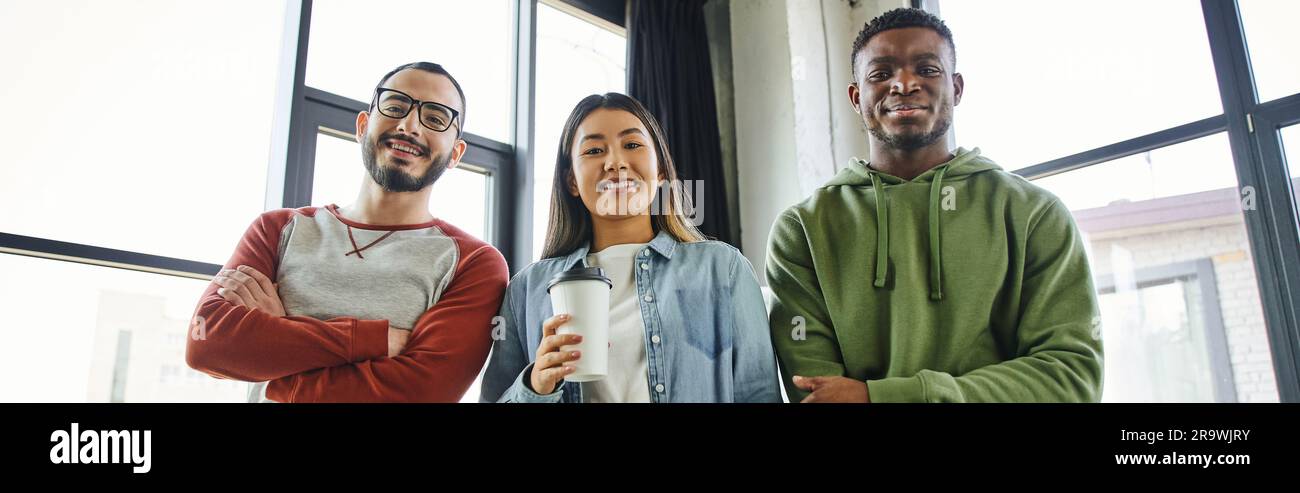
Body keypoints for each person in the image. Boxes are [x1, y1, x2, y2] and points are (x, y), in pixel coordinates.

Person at [767, 8, 1104, 403]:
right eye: (881, 73)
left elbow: (1071, 380)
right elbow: (820, 396)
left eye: (927, 69)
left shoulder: (1034, 214)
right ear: (857, 98)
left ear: (956, 89)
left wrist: (882, 396)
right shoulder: (802, 230)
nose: (904, 84)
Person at [186, 62, 507, 402]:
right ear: (363, 126)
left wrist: (281, 348)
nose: (409, 125)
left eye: (435, 118)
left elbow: (422, 391)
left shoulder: (474, 263)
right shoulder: (276, 229)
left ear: (455, 153)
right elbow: (206, 342)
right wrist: (373, 341)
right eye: (396, 107)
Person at [481, 93, 780, 403]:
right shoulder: (527, 290)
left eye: (632, 145)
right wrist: (535, 385)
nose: (615, 163)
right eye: (594, 150)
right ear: (571, 180)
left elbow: (759, 393)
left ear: (661, 171)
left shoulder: (723, 269)